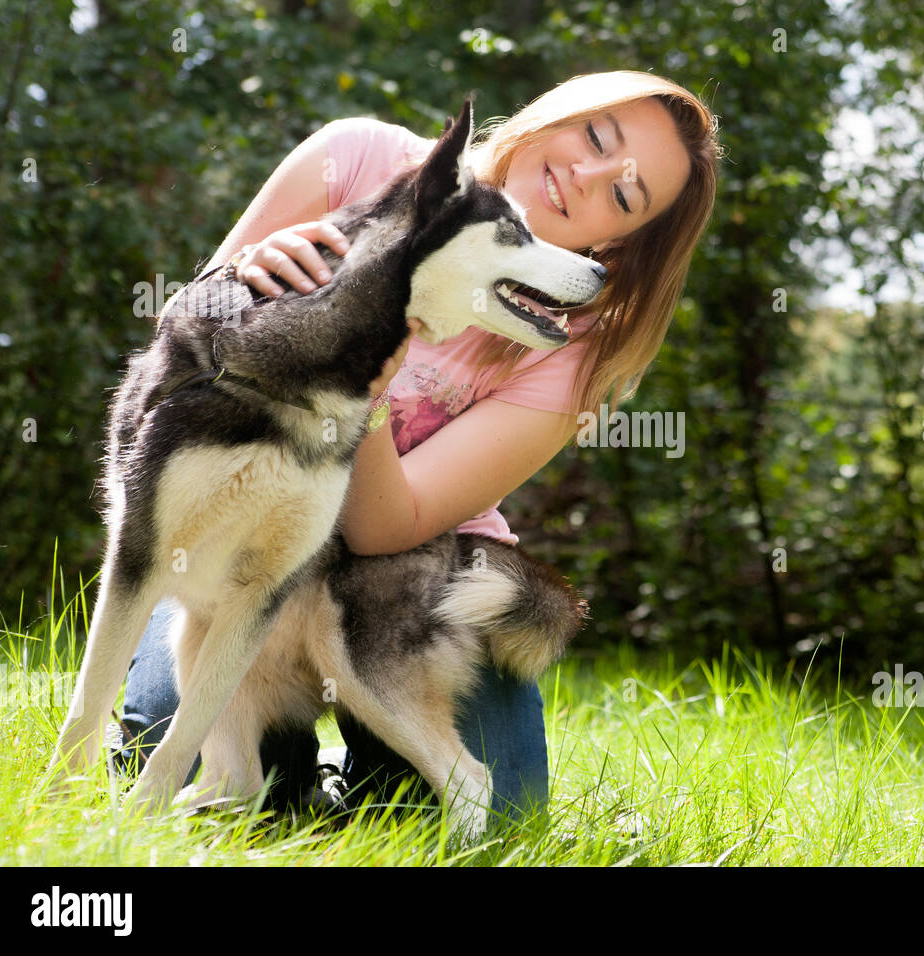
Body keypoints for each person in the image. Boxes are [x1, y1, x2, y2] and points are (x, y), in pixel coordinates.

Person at [115, 70, 721, 822]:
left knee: (492, 811)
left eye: (623, 197)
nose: (586, 174)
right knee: (174, 768)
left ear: (617, 242)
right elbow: (173, 356)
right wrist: (233, 283)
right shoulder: (357, 159)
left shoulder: (565, 344)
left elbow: (382, 530)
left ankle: (363, 768)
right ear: (551, 116)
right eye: (596, 136)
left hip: (404, 566)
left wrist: (361, 382)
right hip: (241, 541)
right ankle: (294, 765)